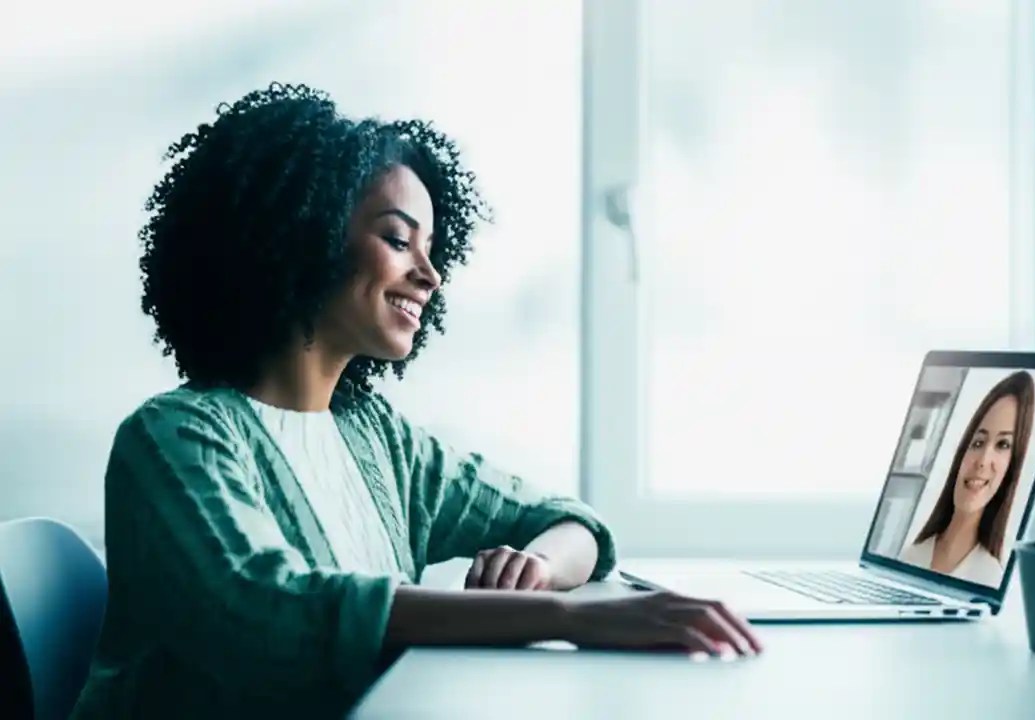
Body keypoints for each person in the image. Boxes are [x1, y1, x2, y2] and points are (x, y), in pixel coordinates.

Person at [70, 83, 762, 719]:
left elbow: (571, 522)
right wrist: (566, 618)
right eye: (398, 239)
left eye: (432, 249)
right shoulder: (174, 437)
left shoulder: (376, 438)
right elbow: (267, 609)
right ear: (298, 234)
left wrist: (540, 569)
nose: (428, 274)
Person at [898, 370, 1035, 586]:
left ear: (1013, 467)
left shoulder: (991, 578)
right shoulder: (911, 556)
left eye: (1003, 445)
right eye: (978, 442)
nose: (982, 460)